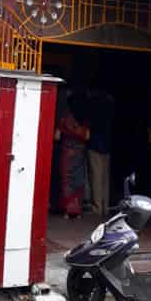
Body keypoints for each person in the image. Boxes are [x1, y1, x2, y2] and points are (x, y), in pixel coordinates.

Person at [56, 90, 92, 219]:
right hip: (80, 152)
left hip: (67, 152)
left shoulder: (65, 119)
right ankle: (77, 211)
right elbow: (87, 136)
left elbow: (57, 136)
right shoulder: (85, 119)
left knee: (67, 180)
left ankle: (66, 210)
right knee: (79, 180)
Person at [85, 87, 115, 219]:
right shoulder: (110, 104)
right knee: (105, 177)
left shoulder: (94, 104)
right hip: (107, 144)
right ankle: (105, 207)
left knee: (96, 176)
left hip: (96, 144)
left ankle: (97, 208)